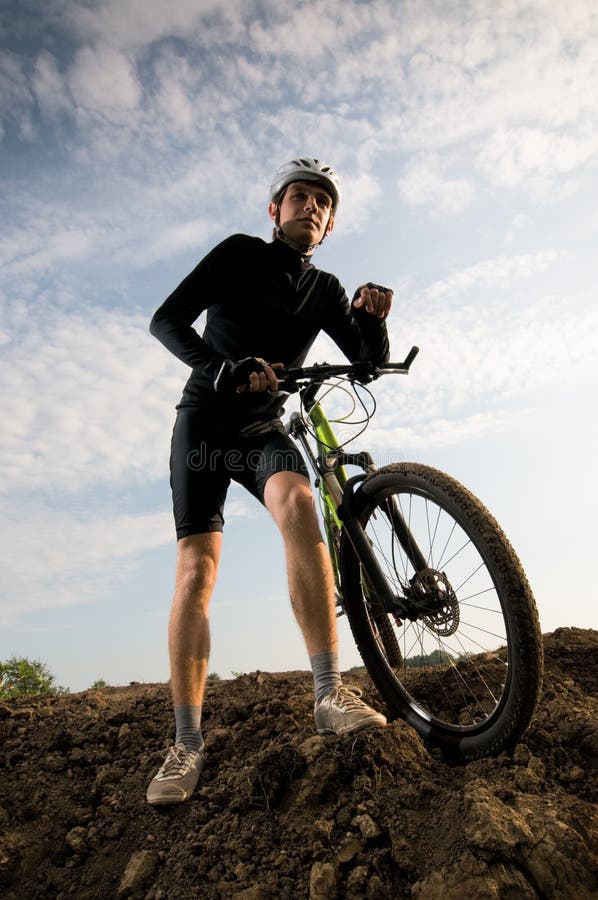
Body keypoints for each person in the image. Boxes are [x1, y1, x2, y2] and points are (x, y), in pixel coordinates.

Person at [147, 157, 393, 806]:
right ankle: (185, 744)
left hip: (261, 431)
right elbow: (166, 320)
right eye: (299, 196)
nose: (310, 206)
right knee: (197, 572)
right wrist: (223, 368)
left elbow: (367, 365)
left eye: (322, 202)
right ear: (274, 209)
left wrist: (373, 319)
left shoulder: (326, 288)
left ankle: (328, 693)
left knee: (300, 501)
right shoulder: (236, 254)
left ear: (331, 223)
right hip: (203, 426)